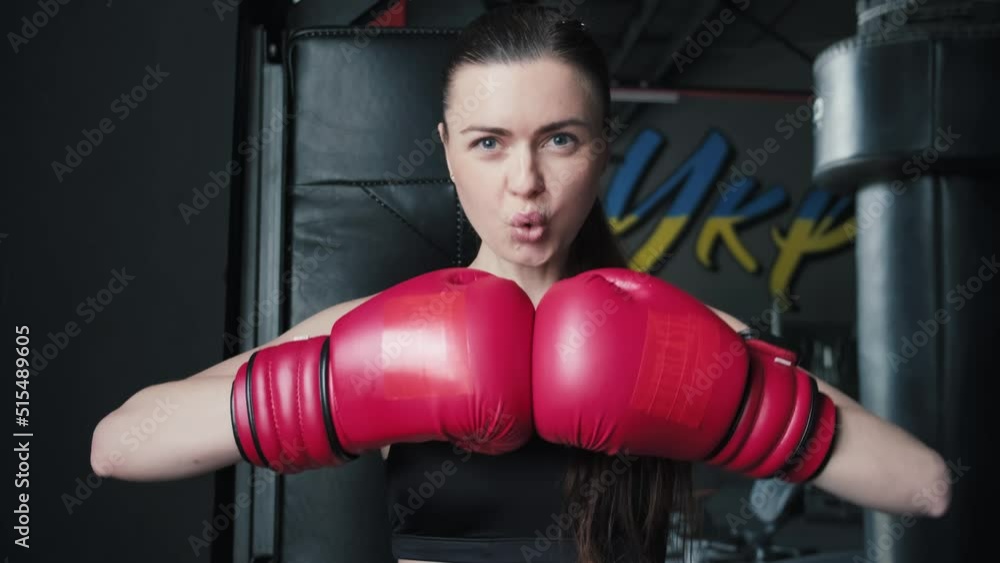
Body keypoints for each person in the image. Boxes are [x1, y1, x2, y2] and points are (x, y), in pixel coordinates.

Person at [90, 5, 952, 563]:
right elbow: (118, 444)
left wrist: (740, 406)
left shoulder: (687, 331)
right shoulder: (379, 330)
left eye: (561, 139)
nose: (526, 184)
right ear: (447, 153)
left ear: (603, 146)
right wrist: (330, 388)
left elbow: (922, 483)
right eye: (490, 141)